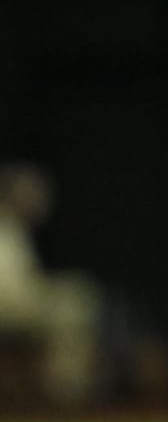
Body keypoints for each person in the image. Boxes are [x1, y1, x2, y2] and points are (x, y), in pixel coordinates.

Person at [0, 161, 101, 407]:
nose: (38, 199)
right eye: (30, 191)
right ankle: (65, 396)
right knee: (74, 303)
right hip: (10, 308)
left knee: (76, 295)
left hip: (18, 304)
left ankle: (65, 392)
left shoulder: (15, 228)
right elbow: (11, 293)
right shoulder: (5, 228)